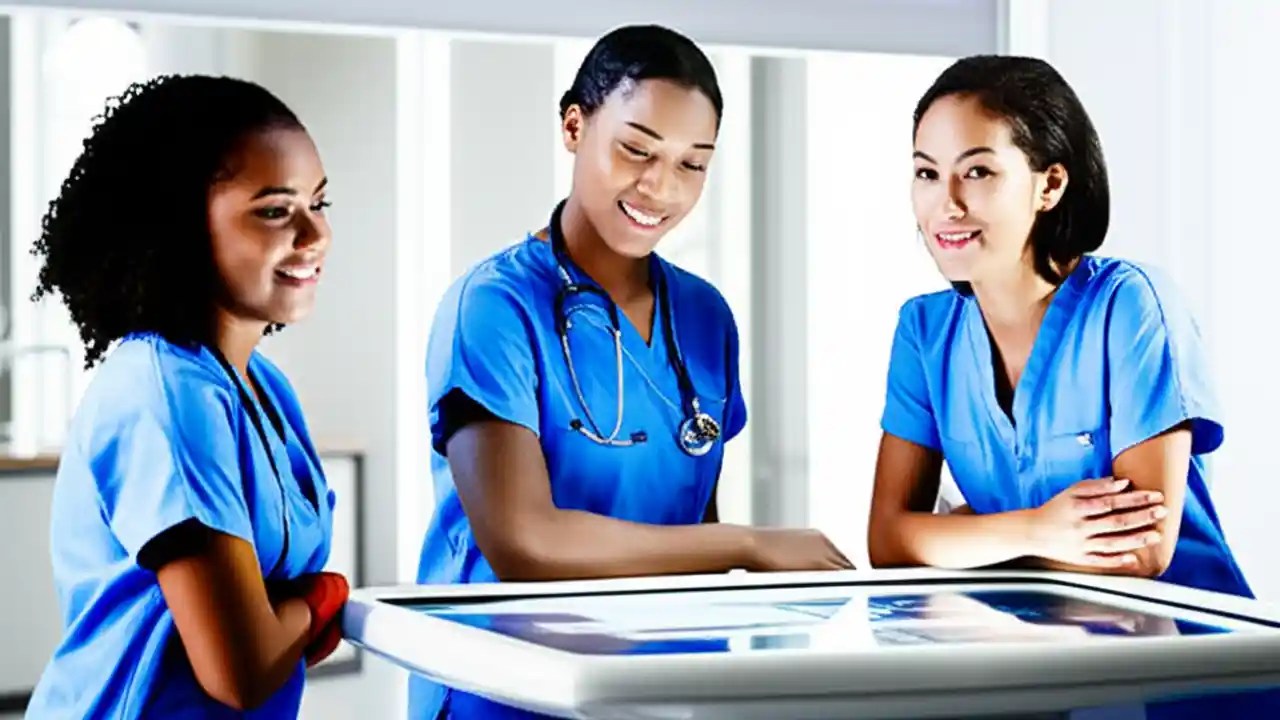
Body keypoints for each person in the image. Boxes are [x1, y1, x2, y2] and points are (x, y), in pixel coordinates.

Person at [412, 23, 851, 719]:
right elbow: (525, 542)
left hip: (656, 690)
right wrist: (748, 545)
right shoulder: (494, 308)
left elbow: (687, 527)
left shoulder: (704, 317)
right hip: (507, 689)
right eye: (635, 149)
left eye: (692, 164)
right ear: (573, 125)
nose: (660, 187)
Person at [867, 54, 1278, 717]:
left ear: (1049, 183)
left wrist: (967, 538)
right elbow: (888, 542)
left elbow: (1141, 553)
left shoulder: (1131, 306)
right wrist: (1038, 528)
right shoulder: (924, 331)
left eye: (978, 171)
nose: (945, 202)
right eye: (925, 172)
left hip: (1188, 672)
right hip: (1034, 661)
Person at [25, 74, 350, 718]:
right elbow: (241, 668)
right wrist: (315, 605)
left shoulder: (263, 386)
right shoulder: (165, 392)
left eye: (319, 204)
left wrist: (294, 617)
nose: (315, 237)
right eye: (275, 210)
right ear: (178, 226)